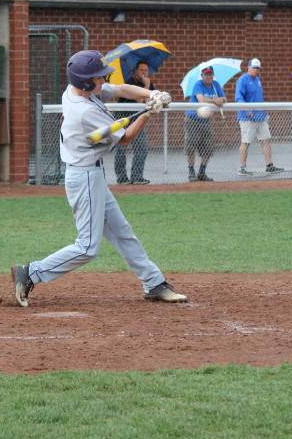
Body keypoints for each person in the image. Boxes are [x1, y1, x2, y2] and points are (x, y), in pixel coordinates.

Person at [10, 50, 188, 307]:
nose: (103, 81)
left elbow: (121, 89)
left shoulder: (77, 92)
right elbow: (125, 138)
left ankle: (154, 283)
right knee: (87, 247)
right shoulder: (84, 111)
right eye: (98, 77)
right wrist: (148, 114)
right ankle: (30, 273)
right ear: (84, 82)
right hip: (84, 176)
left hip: (90, 173)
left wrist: (151, 94)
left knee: (122, 231)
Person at [236, 57, 283, 175]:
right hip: (247, 117)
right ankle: (242, 167)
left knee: (266, 139)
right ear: (248, 67)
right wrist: (246, 109)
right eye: (254, 68)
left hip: (260, 116)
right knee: (246, 141)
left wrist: (263, 112)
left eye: (258, 68)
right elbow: (239, 97)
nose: (256, 70)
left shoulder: (257, 80)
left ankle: (269, 165)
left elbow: (258, 98)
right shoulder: (242, 80)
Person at [113, 60, 153, 184]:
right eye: (141, 70)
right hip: (122, 117)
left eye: (146, 70)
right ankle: (122, 178)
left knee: (142, 147)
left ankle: (137, 177)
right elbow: (139, 100)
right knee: (120, 148)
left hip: (137, 118)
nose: (144, 73)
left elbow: (149, 101)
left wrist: (148, 87)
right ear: (136, 71)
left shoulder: (149, 84)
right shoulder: (130, 82)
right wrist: (146, 86)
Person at [184, 66, 226, 182]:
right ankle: (191, 172)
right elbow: (201, 99)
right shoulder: (198, 85)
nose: (209, 76)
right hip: (193, 119)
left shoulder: (215, 85)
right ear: (202, 75)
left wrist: (221, 100)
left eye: (210, 74)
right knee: (190, 147)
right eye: (206, 74)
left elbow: (224, 98)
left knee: (208, 147)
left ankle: (202, 172)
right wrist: (215, 101)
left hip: (206, 121)